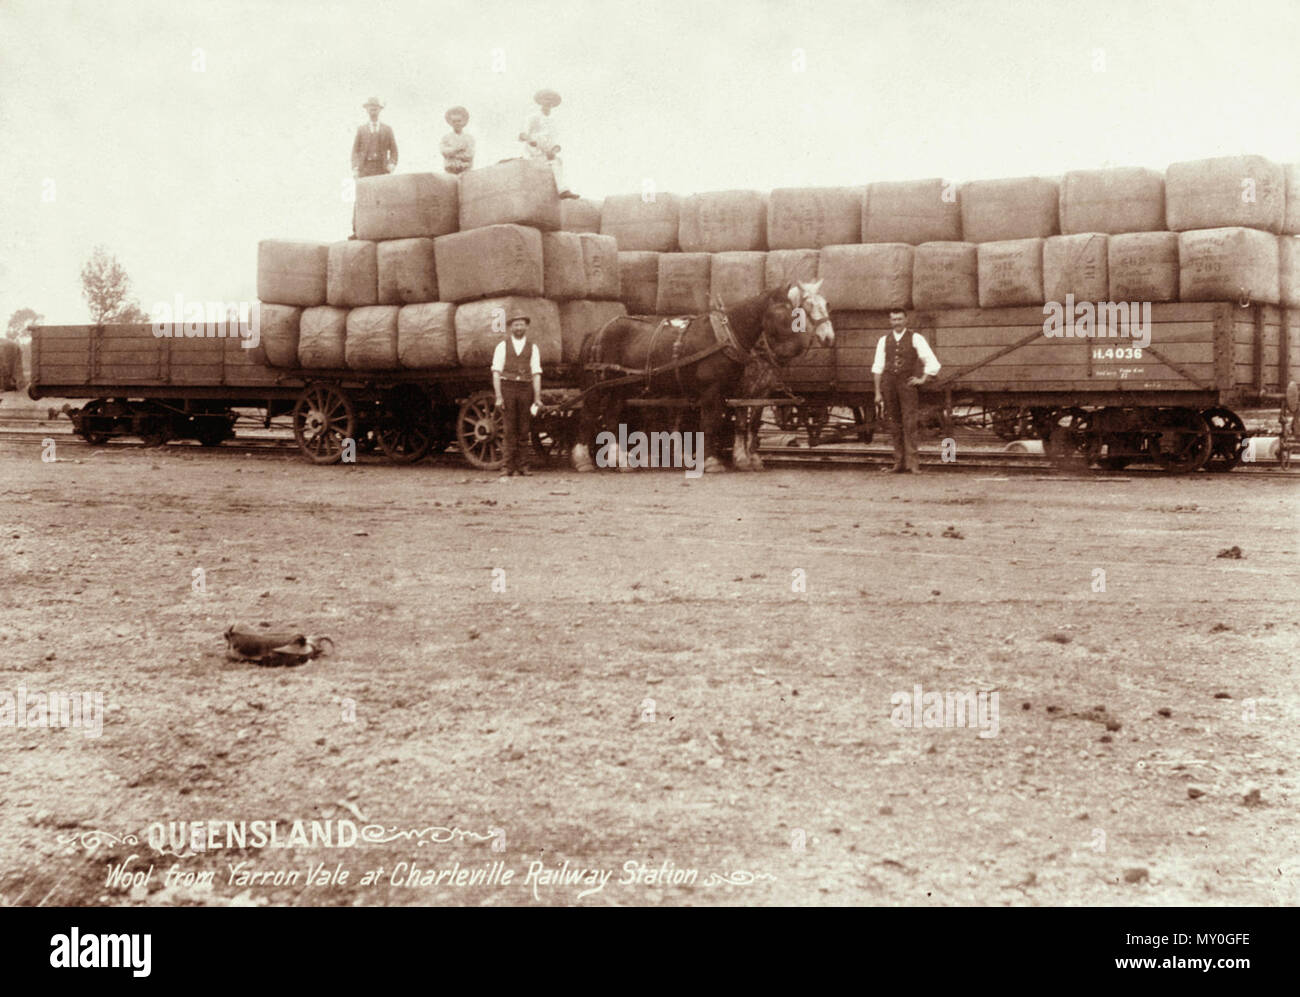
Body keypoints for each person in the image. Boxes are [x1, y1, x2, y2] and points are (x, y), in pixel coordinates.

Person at [872, 308, 941, 473]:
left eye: (900, 319)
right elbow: (878, 366)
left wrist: (923, 378)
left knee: (909, 423)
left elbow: (931, 361)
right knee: (894, 424)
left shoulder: (916, 338)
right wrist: (877, 392)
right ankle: (899, 463)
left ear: (906, 320)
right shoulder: (883, 340)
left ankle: (913, 464)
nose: (897, 322)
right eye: (894, 319)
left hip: (907, 384)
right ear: (890, 321)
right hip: (888, 384)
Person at [491, 311, 543, 478]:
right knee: (509, 429)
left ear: (526, 327)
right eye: (515, 325)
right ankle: (507, 467)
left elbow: (536, 373)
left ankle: (523, 466)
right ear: (510, 328)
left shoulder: (532, 347)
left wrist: (537, 397)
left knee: (524, 429)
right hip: (508, 387)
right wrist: (499, 396)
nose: (518, 328)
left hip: (525, 389)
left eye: (521, 325)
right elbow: (496, 373)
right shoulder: (502, 346)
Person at [520, 88, 577, 198]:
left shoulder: (554, 121)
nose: (548, 102)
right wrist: (530, 140)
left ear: (553, 104)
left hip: (547, 152)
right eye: (545, 99)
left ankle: (563, 191)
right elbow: (523, 134)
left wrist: (554, 150)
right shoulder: (532, 118)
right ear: (540, 101)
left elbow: (557, 140)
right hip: (532, 150)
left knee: (557, 161)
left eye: (551, 100)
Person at [351, 97, 398, 178]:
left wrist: (392, 164)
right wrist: (355, 168)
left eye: (375, 109)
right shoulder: (361, 130)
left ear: (379, 110)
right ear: (367, 110)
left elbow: (394, 151)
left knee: (382, 190)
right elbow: (355, 151)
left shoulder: (387, 129)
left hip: (382, 169)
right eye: (371, 109)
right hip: (364, 169)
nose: (373, 112)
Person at [440, 106, 475, 174]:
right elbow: (444, 152)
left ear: (463, 122)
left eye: (459, 121)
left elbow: (469, 155)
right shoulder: (446, 138)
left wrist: (452, 154)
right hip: (450, 171)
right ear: (450, 123)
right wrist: (458, 149)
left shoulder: (469, 138)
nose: (456, 123)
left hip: (466, 171)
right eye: (454, 121)